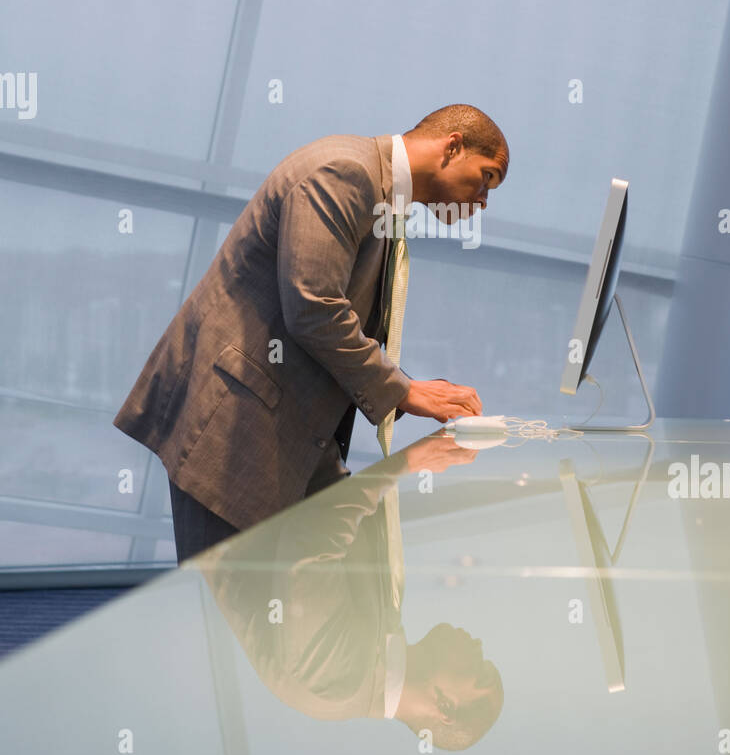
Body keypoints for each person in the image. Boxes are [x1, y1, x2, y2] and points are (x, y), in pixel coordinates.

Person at [112, 103, 509, 561]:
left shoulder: (380, 192)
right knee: (233, 617)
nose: (482, 200)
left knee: (327, 599)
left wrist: (405, 389)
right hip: (235, 424)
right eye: (487, 177)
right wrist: (402, 391)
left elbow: (332, 313)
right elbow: (314, 307)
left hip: (288, 425)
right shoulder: (345, 171)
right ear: (452, 147)